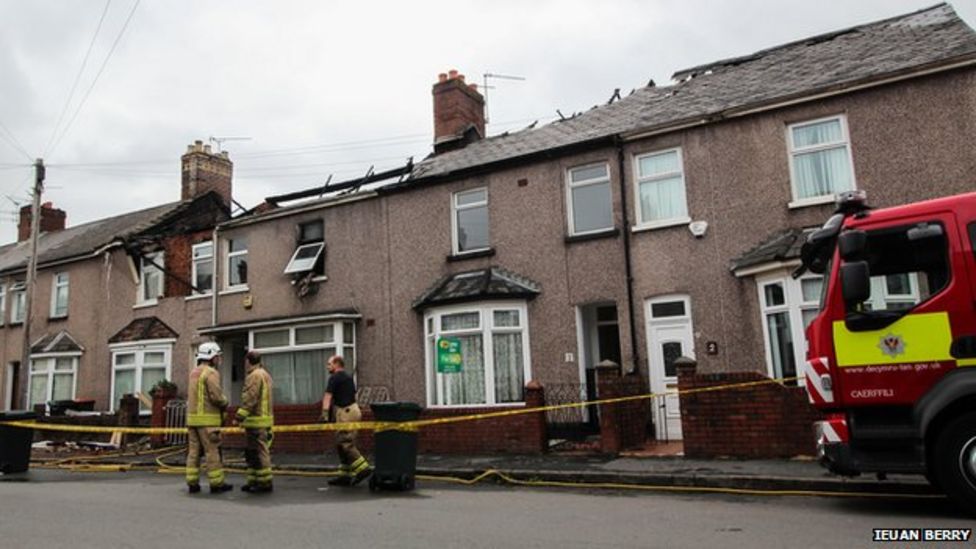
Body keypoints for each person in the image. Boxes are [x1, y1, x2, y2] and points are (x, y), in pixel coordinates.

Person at [186, 341, 232, 494]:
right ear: (212, 357)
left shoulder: (194, 372)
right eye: (217, 357)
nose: (219, 360)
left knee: (193, 452)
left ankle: (192, 483)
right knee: (212, 452)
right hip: (208, 422)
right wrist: (225, 402)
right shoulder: (211, 373)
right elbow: (216, 396)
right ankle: (216, 483)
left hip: (192, 420)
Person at [321, 355, 371, 486]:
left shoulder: (334, 378)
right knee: (340, 444)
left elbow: (328, 396)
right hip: (353, 410)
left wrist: (324, 414)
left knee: (345, 443)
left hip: (345, 412)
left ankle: (363, 468)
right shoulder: (348, 378)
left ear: (337, 364)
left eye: (329, 364)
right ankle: (345, 475)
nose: (327, 366)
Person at [235, 350, 274, 493]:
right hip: (262, 420)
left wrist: (239, 416)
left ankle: (264, 483)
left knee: (259, 452)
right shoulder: (265, 374)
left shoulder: (254, 376)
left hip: (257, 421)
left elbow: (251, 398)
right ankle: (254, 480)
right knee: (253, 452)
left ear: (248, 361)